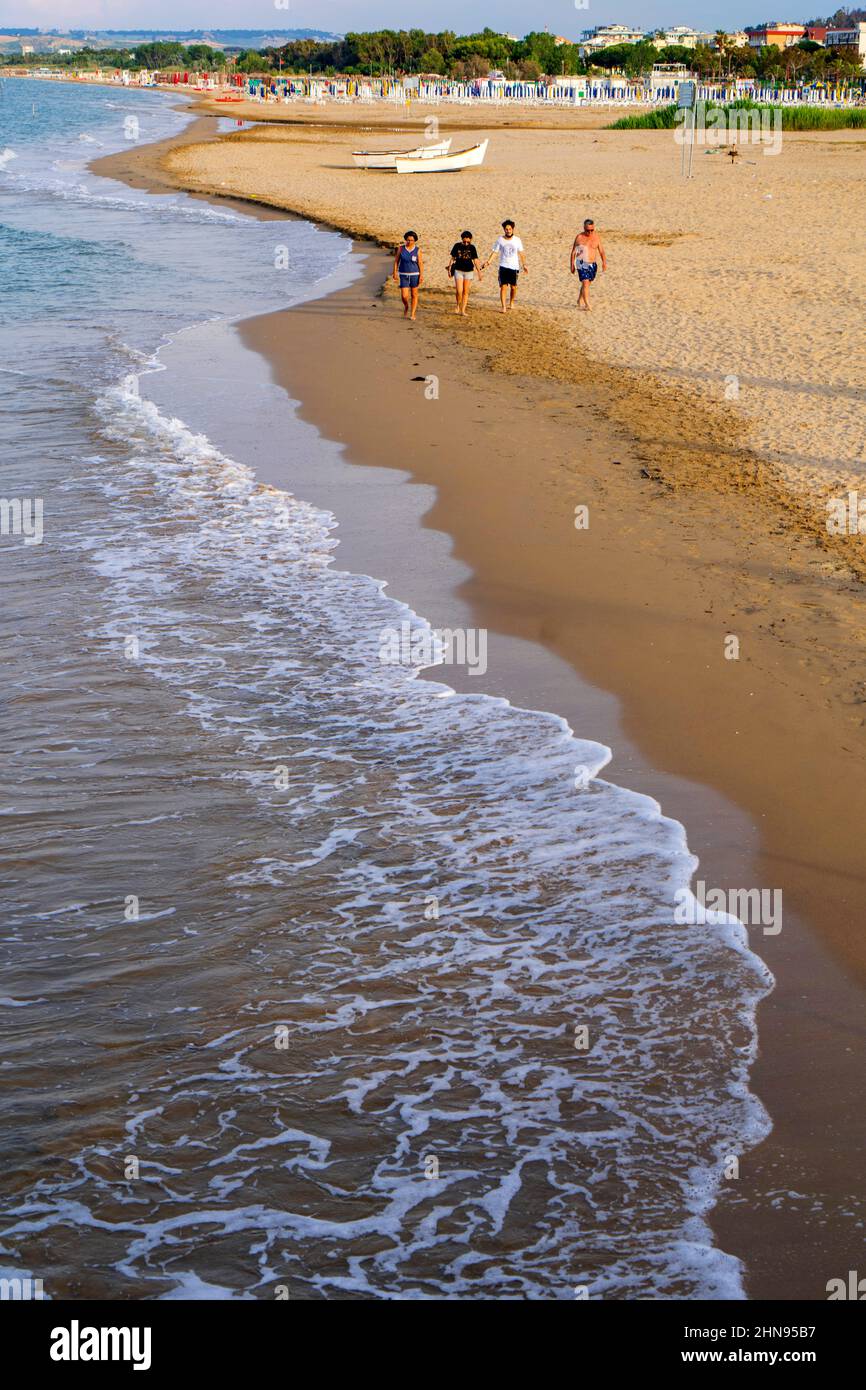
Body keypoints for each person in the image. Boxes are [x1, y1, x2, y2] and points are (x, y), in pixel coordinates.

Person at [482, 219, 528, 313]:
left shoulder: (517, 240)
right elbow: (495, 252)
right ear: (504, 229)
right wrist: (488, 262)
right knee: (503, 287)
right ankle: (503, 306)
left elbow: (521, 253)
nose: (508, 231)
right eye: (506, 229)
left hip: (514, 267)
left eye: (510, 229)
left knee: (513, 287)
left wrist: (524, 265)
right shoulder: (500, 240)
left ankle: (511, 302)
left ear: (513, 229)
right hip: (503, 266)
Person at [570, 218, 607, 312]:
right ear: (584, 228)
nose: (590, 232)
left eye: (592, 230)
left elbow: (601, 251)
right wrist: (572, 264)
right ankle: (587, 304)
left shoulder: (596, 237)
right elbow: (574, 252)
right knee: (585, 283)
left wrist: (604, 262)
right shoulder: (579, 237)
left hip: (593, 264)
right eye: (588, 230)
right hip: (582, 262)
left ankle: (579, 300)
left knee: (586, 284)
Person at [448, 231, 483, 316]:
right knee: (459, 291)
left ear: (471, 240)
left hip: (469, 271)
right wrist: (449, 269)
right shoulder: (457, 246)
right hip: (458, 270)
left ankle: (463, 310)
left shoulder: (472, 248)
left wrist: (479, 272)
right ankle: (457, 305)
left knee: (466, 291)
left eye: (468, 241)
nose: (466, 243)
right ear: (462, 239)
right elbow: (453, 258)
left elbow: (475, 260)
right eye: (464, 242)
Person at [393, 231, 423, 320]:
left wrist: (421, 275)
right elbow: (396, 261)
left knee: (414, 295)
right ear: (405, 239)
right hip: (403, 274)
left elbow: (420, 263)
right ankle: (406, 306)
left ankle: (413, 314)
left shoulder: (417, 250)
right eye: (408, 240)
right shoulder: (401, 248)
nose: (409, 242)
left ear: (415, 241)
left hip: (415, 274)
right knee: (404, 296)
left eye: (411, 240)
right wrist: (394, 272)